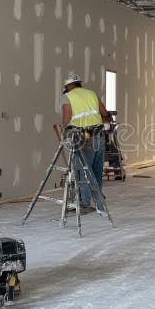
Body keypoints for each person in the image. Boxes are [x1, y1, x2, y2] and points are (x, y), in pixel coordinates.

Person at [60, 74, 109, 215]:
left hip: (83, 138)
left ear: (69, 85)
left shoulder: (67, 97)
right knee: (96, 169)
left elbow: (66, 118)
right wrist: (105, 124)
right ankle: (99, 201)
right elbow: (105, 113)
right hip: (99, 136)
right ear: (78, 83)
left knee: (83, 170)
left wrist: (65, 130)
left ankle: (84, 203)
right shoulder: (92, 93)